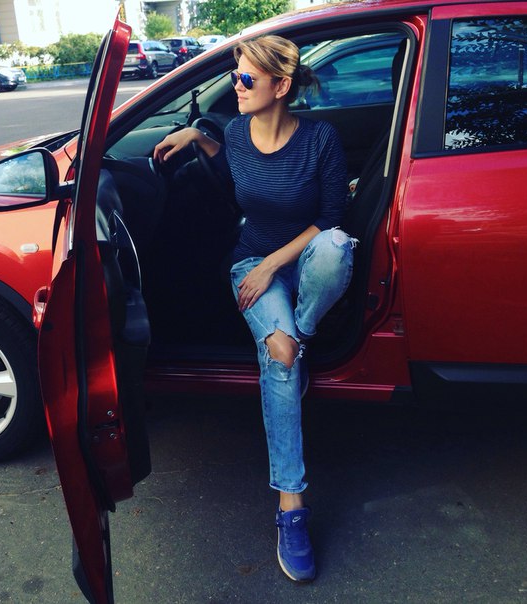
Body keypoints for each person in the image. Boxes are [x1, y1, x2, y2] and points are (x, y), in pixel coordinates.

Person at [153, 34, 356, 583]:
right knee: (281, 363)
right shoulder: (237, 134)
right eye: (235, 77)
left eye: (246, 79)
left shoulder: (320, 139)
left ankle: (301, 332)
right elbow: (228, 177)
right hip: (249, 261)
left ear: (281, 86)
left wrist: (272, 265)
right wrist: (199, 136)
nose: (236, 88)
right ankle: (292, 508)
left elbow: (331, 217)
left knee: (336, 248)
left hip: (306, 258)